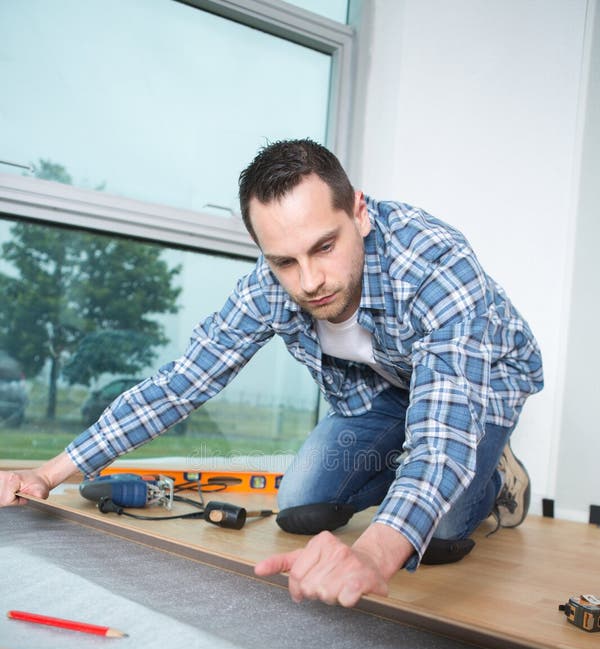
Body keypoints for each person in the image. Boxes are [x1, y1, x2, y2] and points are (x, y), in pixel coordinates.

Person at [0, 139, 543, 607]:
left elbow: (442, 439)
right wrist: (46, 475)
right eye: (285, 261)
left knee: (439, 530)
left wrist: (373, 555)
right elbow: (180, 383)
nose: (309, 282)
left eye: (324, 247)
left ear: (359, 212)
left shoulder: (434, 265)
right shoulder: (268, 285)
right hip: (382, 391)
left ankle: (494, 478)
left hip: (480, 384)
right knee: (301, 504)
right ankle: (412, 473)